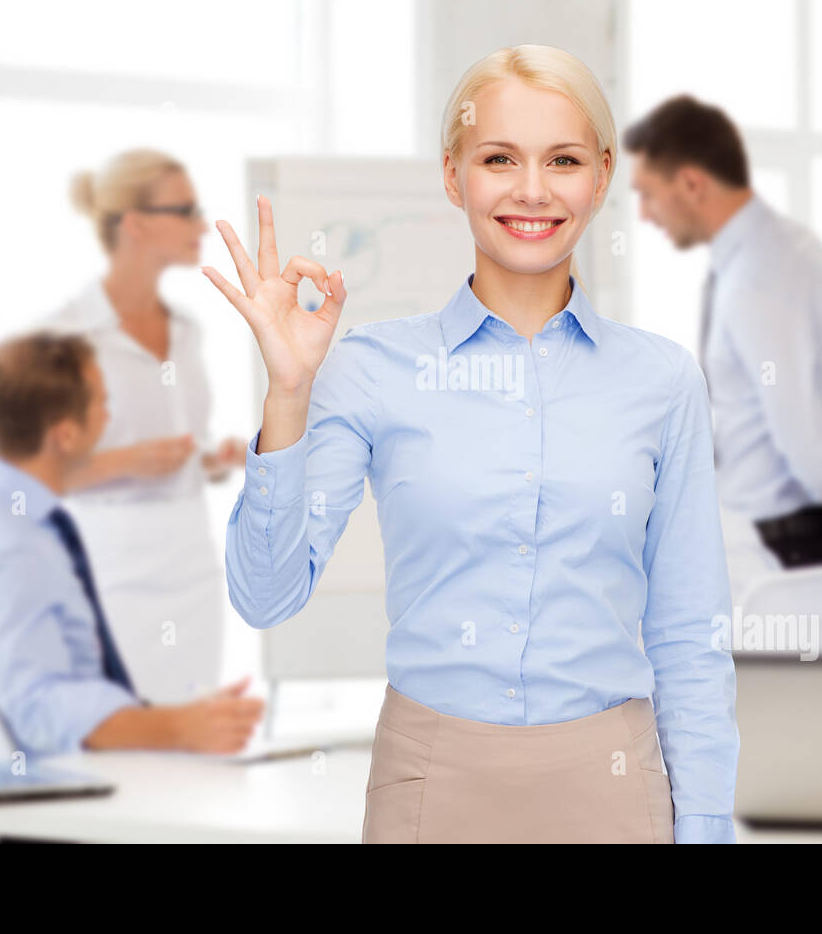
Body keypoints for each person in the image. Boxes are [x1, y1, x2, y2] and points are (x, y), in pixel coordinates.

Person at [203, 45, 738, 844]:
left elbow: (689, 631)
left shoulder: (662, 382)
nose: (531, 189)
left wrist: (705, 824)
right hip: (429, 785)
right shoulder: (371, 370)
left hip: (616, 787)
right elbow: (264, 596)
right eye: (498, 159)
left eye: (561, 160)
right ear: (454, 175)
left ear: (601, 174)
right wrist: (287, 394)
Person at [0, 332, 264, 756]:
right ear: (64, 435)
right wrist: (176, 727)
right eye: (101, 401)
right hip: (56, 801)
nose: (107, 415)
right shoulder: (12, 546)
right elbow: (38, 706)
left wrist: (184, 719)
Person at [624, 95, 822, 570]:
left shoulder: (760, 279)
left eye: (647, 192)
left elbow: (804, 446)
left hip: (792, 555)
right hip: (792, 546)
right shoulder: (776, 254)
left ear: (691, 183)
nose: (644, 214)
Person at [43, 149, 245, 703]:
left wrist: (212, 458)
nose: (201, 225)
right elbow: (36, 474)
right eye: (184, 211)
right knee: (124, 737)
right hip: (111, 568)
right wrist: (128, 461)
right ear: (133, 224)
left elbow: (177, 446)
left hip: (191, 564)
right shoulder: (66, 336)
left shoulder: (187, 331)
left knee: (191, 737)